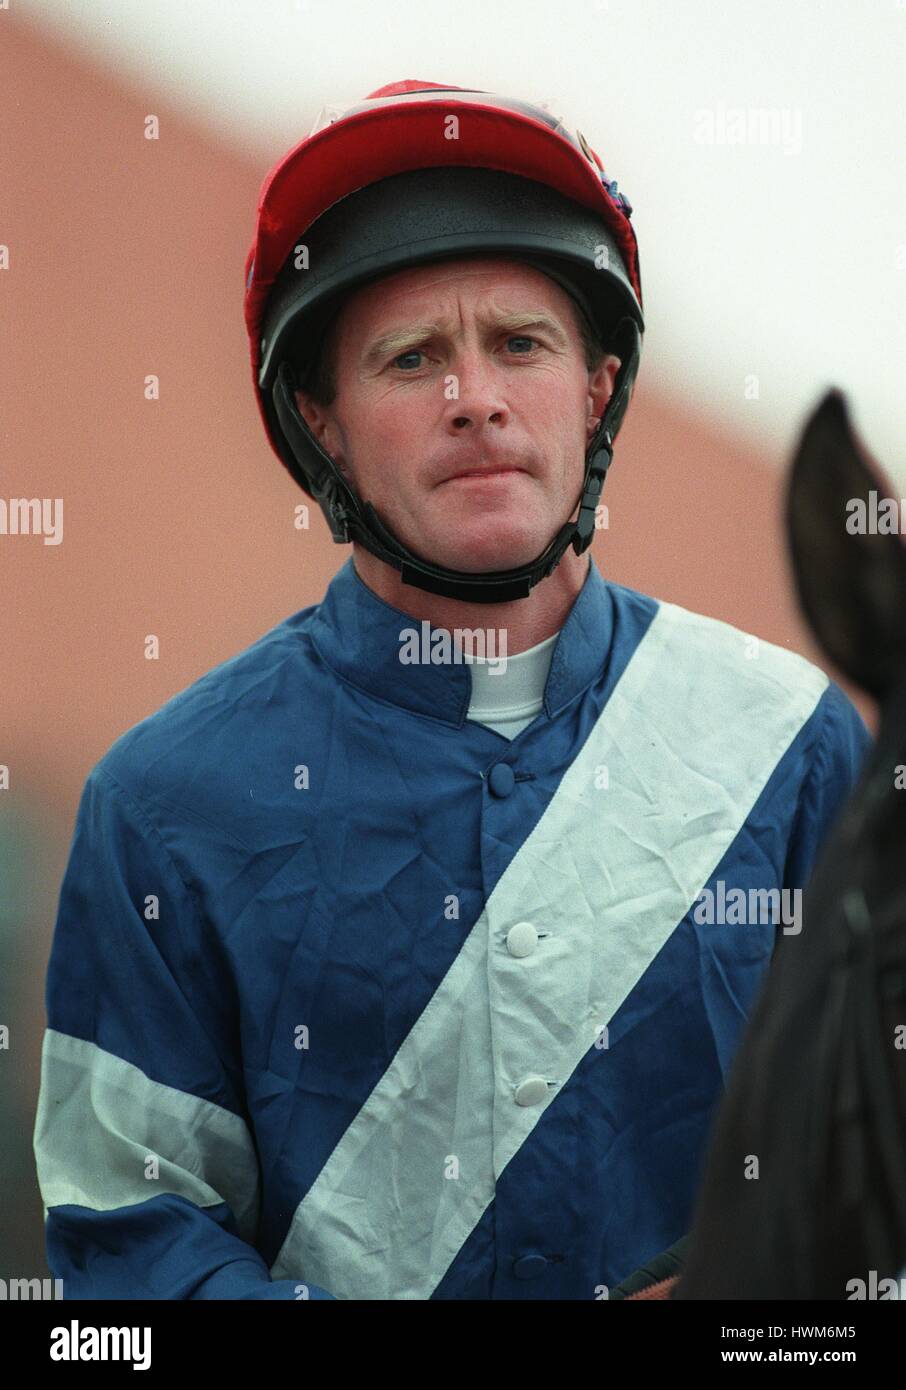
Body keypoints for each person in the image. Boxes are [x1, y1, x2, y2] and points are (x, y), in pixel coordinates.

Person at [33, 79, 872, 1301]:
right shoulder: (159, 804)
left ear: (596, 388)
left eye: (521, 344)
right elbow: (127, 1261)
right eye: (411, 357)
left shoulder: (794, 743)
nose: (474, 397)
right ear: (322, 424)